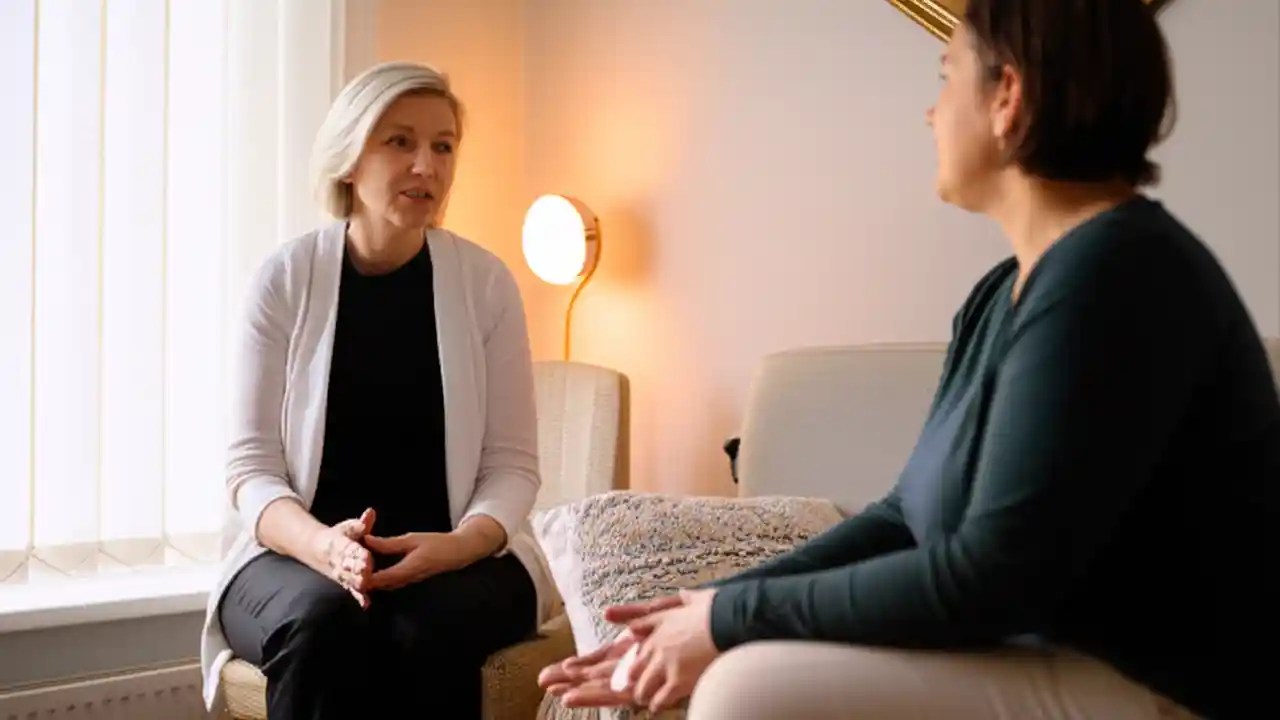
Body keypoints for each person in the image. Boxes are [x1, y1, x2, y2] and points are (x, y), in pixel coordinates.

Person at [539, 1, 1279, 718]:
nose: (931, 112)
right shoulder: (1005, 292)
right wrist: (707, 607)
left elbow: (993, 578)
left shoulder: (1116, 276)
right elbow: (904, 517)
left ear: (1007, 95)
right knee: (745, 666)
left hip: (1167, 689)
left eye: (946, 75)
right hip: (1055, 653)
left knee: (749, 689)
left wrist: (732, 621)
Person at [197, 60, 558, 719]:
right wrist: (324, 548)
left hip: (459, 554)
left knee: (422, 628)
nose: (427, 165)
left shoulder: (485, 284)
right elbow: (249, 471)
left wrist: (459, 545)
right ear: (348, 159)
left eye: (443, 146)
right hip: (297, 555)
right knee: (324, 622)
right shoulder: (285, 279)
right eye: (400, 141)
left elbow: (512, 467)